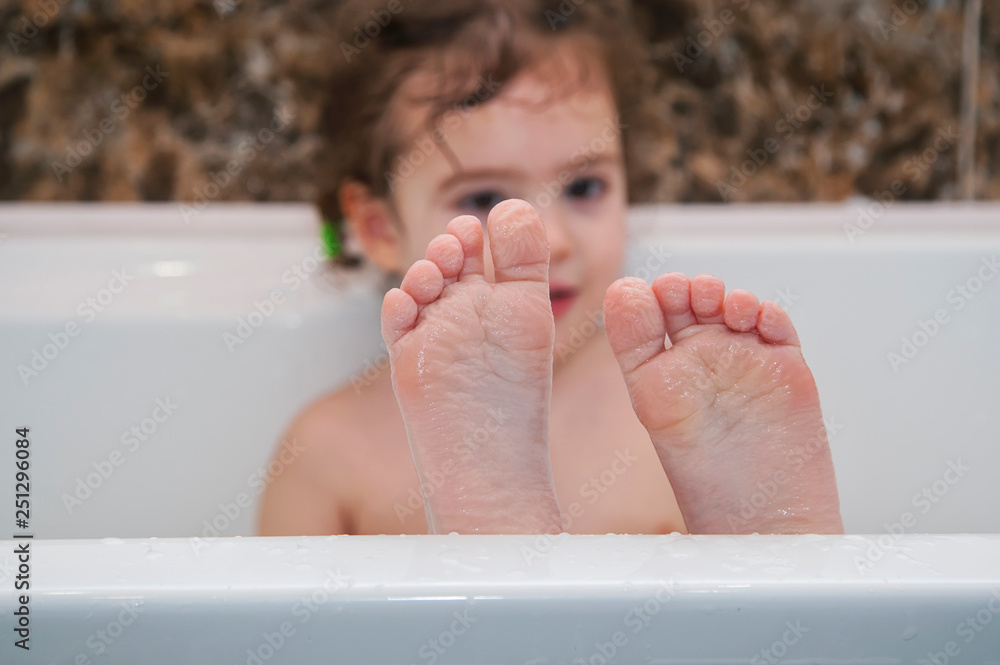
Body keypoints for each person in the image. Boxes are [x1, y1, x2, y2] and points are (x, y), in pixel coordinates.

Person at [258, 0, 843, 536]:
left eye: (585, 186)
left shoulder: (681, 414)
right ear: (379, 228)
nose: (551, 240)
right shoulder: (326, 454)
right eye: (486, 199)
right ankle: (507, 538)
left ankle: (766, 547)